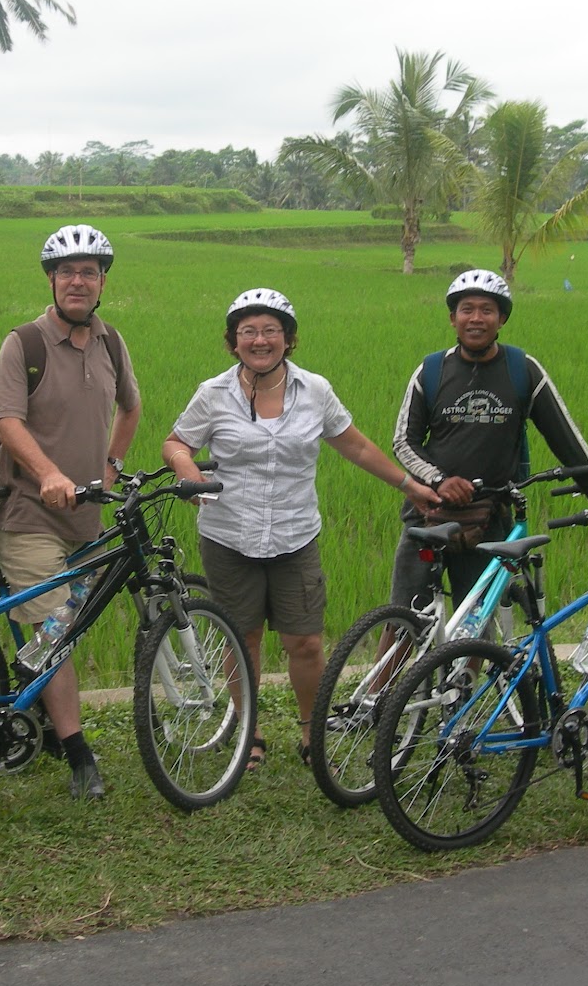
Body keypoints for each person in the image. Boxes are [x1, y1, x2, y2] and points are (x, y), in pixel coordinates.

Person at [162, 288, 440, 771]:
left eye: (271, 330)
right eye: (248, 331)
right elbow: (176, 442)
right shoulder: (214, 393)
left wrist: (408, 484)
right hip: (229, 534)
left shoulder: (315, 390)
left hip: (294, 534)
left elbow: (353, 445)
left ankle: (311, 728)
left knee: (305, 641)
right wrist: (187, 472)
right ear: (233, 342)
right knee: (241, 637)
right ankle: (249, 730)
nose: (260, 340)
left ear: (288, 340)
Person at [0, 224, 140, 801]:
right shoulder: (23, 343)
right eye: (67, 272)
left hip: (86, 520)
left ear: (101, 283)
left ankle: (46, 719)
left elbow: (131, 405)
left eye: (89, 272)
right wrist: (48, 473)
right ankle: (80, 756)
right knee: (55, 630)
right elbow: (8, 422)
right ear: (52, 280)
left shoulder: (111, 343)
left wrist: (112, 463)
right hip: (31, 513)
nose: (79, 281)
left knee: (62, 627)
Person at [389, 268, 588, 615]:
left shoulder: (522, 369)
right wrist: (439, 480)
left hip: (489, 514)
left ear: (502, 318)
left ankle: (465, 673)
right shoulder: (431, 370)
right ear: (453, 318)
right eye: (467, 309)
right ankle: (390, 671)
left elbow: (567, 442)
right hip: (429, 512)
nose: (476, 318)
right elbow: (404, 441)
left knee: (477, 620)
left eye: (487, 310)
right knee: (403, 618)